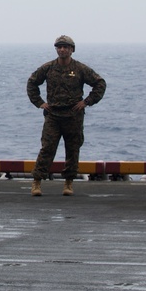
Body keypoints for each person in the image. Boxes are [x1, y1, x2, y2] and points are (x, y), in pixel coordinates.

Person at [26, 35, 106, 197]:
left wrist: (86, 102)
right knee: (47, 149)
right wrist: (40, 103)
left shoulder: (80, 69)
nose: (62, 49)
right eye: (59, 47)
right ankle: (37, 182)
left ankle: (69, 182)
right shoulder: (48, 68)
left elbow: (100, 83)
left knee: (73, 149)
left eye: (66, 47)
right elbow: (32, 83)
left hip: (73, 116)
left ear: (72, 50)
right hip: (53, 115)